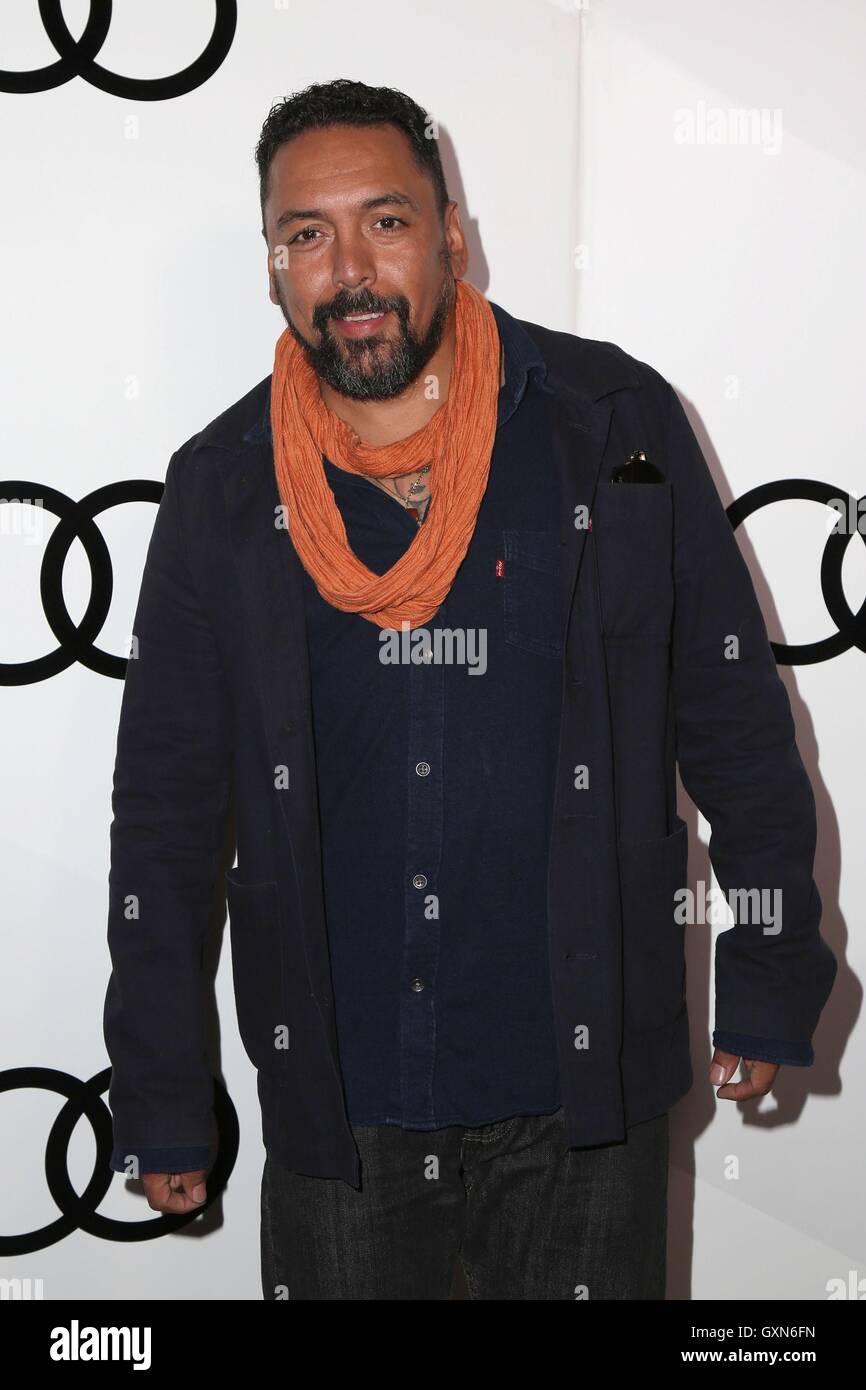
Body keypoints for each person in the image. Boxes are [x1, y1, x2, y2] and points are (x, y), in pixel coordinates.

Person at [103, 79, 837, 1300]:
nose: (348, 268)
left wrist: (765, 971)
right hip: (340, 1093)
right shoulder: (221, 486)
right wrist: (166, 1087)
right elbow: (166, 808)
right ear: (273, 264)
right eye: (306, 233)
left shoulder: (615, 424)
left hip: (579, 1083)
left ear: (451, 233)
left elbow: (735, 725)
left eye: (384, 221)